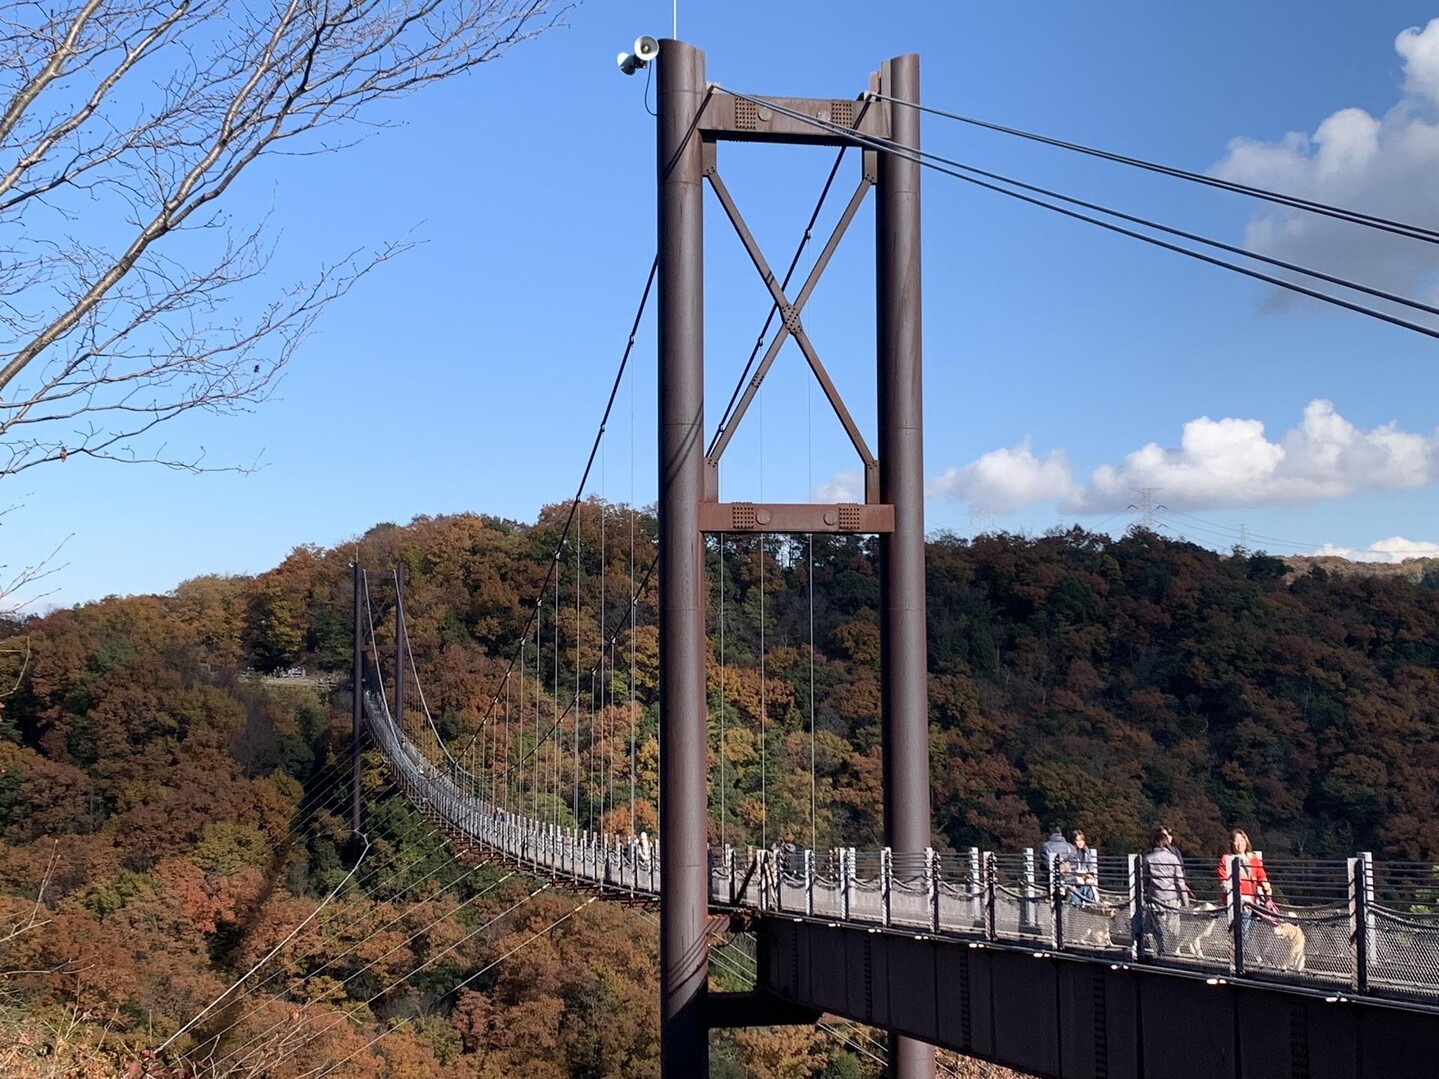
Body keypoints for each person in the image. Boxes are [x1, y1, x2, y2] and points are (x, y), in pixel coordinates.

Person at [1217, 828, 1271, 950]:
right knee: (1243, 929)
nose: (1240, 844)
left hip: (1252, 899)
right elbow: (1222, 876)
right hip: (1237, 899)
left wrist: (1265, 884)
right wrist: (1225, 885)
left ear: (1246, 842)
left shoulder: (1253, 859)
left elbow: (1261, 874)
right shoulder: (1227, 858)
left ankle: (1238, 954)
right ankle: (1238, 955)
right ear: (1231, 843)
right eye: (1236, 841)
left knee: (1248, 929)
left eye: (1242, 840)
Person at [1142, 825, 1192, 957]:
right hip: (1172, 897)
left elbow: (1145, 880)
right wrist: (1185, 901)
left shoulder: (1148, 858)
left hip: (1156, 897)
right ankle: (1172, 949)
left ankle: (1162, 949)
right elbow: (1180, 882)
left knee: (1159, 925)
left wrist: (1146, 893)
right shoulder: (1173, 858)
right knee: (1174, 926)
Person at [1069, 829, 1098, 907]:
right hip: (1075, 881)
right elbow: (1069, 867)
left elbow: (1090, 865)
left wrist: (1090, 875)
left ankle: (1090, 906)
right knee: (1077, 896)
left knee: (1090, 890)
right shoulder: (1071, 852)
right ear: (1074, 841)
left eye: (1082, 840)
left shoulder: (1086, 851)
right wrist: (1076, 873)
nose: (1080, 842)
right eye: (1077, 840)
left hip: (1085, 878)